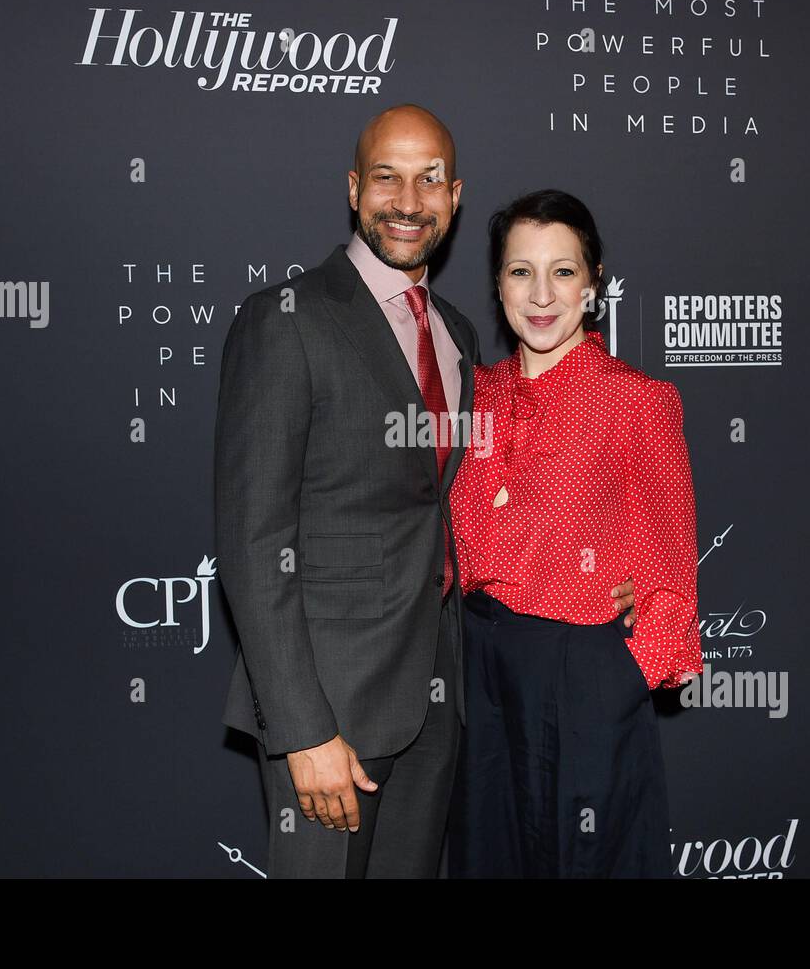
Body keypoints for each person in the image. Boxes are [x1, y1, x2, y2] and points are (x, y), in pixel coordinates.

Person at [214, 106, 640, 878]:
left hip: (438, 709)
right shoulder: (286, 320)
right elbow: (252, 540)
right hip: (328, 712)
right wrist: (300, 730)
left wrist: (608, 573)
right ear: (353, 189)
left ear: (455, 197)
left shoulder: (457, 333)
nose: (408, 199)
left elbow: (474, 505)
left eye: (429, 179)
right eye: (386, 176)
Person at [447, 189, 704, 878]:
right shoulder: (474, 394)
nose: (541, 293)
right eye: (520, 270)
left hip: (582, 673)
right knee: (487, 857)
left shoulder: (635, 400)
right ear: (497, 282)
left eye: (563, 271)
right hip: (478, 670)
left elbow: (670, 559)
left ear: (593, 283)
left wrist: (623, 672)